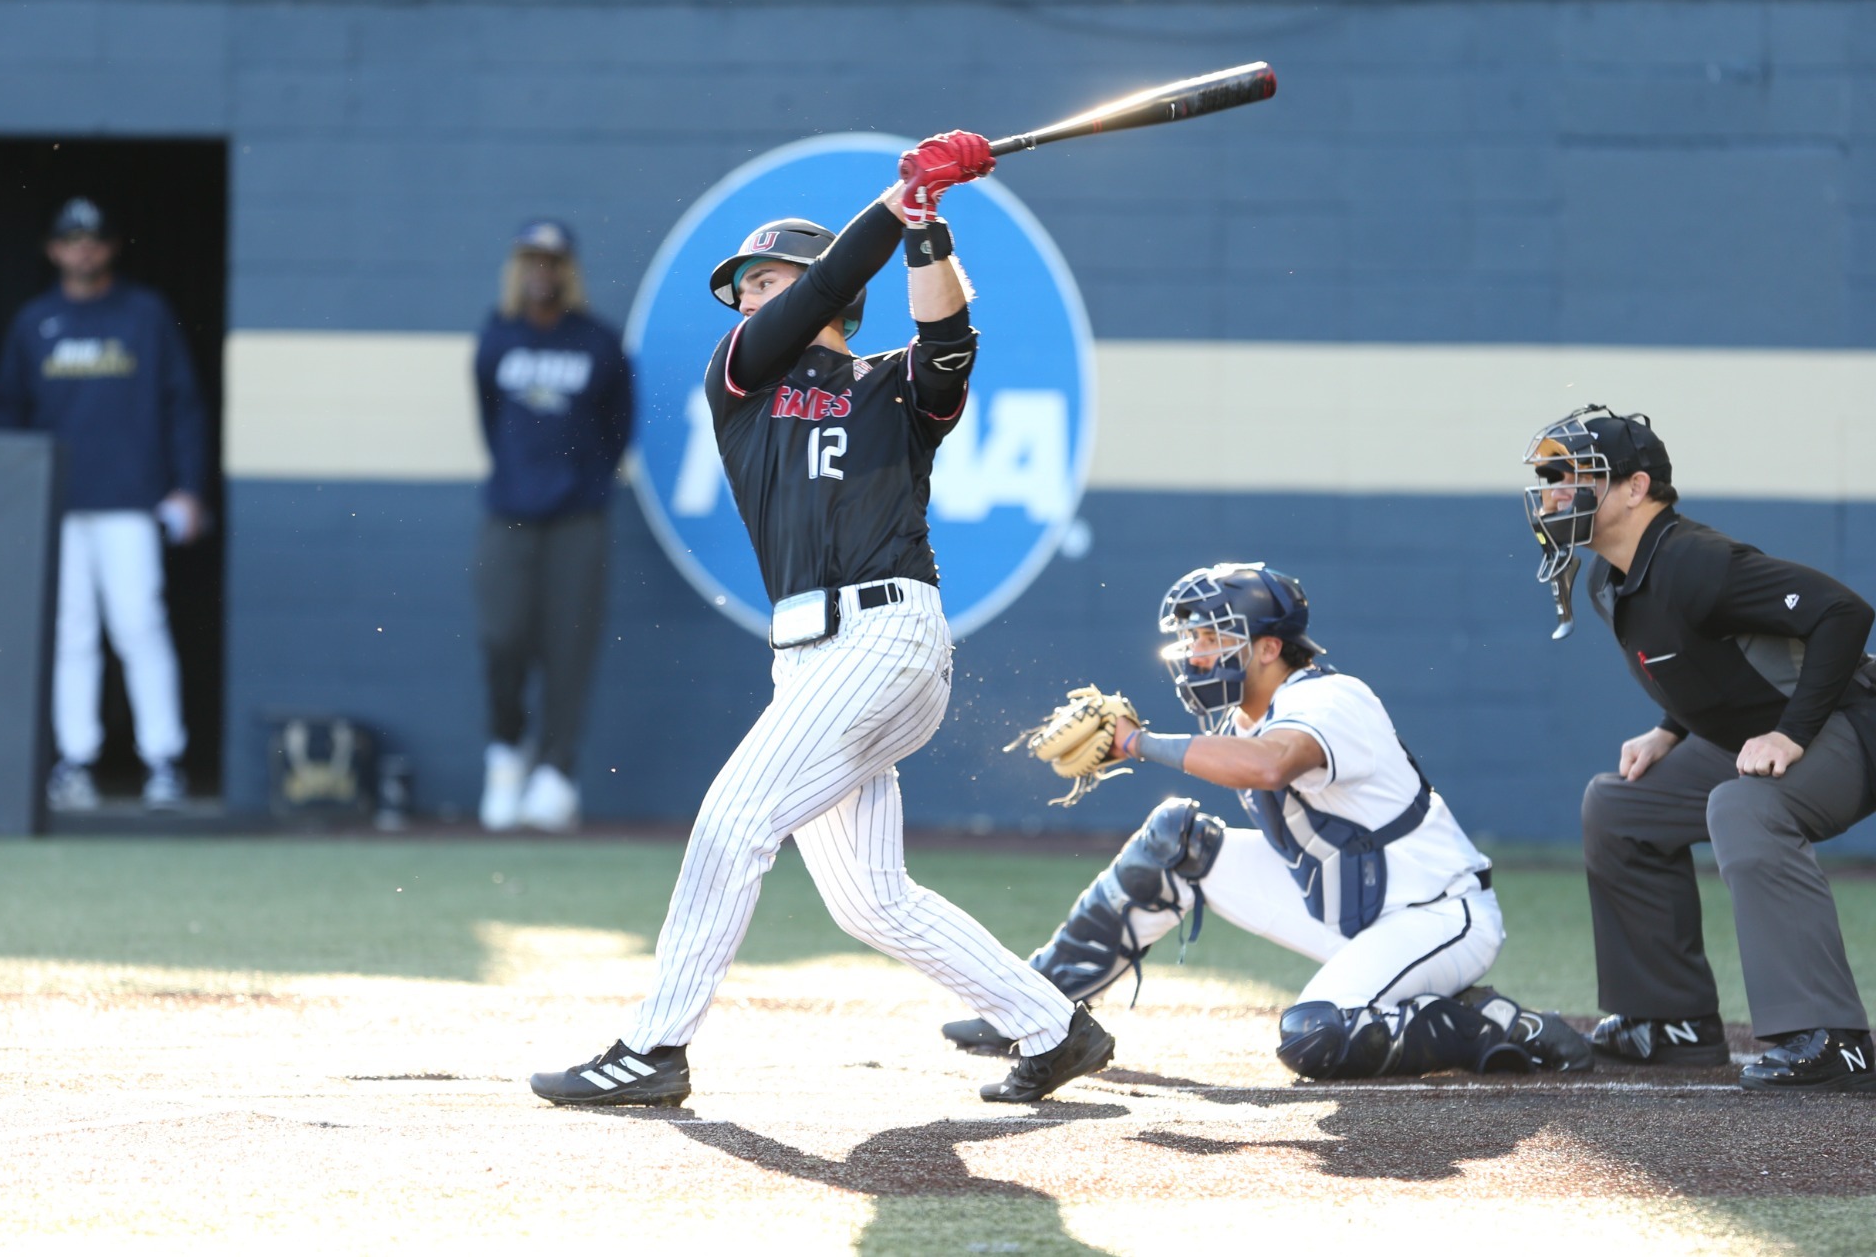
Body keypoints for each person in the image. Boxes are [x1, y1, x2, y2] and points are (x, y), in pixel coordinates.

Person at [530, 132, 1114, 1108]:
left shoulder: (892, 389)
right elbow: (821, 285)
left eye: (766, 280)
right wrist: (897, 205)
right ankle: (1053, 1026)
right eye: (746, 286)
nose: (750, 297)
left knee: (730, 820)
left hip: (884, 635)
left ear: (832, 292)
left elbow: (947, 345)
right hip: (807, 657)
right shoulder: (742, 378)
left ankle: (653, 1048)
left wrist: (921, 226)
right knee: (869, 898)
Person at [943, 563, 1592, 1082]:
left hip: (1439, 914)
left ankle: (1487, 1021)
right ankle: (1032, 1004)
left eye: (1213, 637)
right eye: (1191, 636)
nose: (1195, 652)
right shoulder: (1245, 713)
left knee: (1315, 1033)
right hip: (1352, 910)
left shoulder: (1330, 697)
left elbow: (1270, 766)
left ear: (1269, 646)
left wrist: (1137, 743)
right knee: (1176, 841)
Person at [1525, 405, 1876, 1092]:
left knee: (1744, 808)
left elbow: (1843, 612)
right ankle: (1671, 1020)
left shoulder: (1693, 559)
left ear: (1636, 486)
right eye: (1550, 479)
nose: (1554, 493)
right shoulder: (1610, 580)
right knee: (1620, 805)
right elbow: (1704, 664)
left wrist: (1791, 733)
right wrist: (1670, 728)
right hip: (1778, 730)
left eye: (1574, 477)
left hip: (1854, 720)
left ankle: (1833, 1039)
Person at [0, 198, 207, 813]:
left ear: (110, 247)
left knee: (139, 623)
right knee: (70, 633)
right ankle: (74, 760)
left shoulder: (144, 313)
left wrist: (188, 487)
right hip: (57, 501)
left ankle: (163, 759)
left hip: (131, 499)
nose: (82, 249)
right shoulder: (35, 321)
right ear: (53, 249)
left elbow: (182, 404)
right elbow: (8, 410)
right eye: (70, 240)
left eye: (93, 239)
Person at [472, 219, 633, 833]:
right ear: (518, 267)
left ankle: (558, 771)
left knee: (571, 650)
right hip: (508, 513)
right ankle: (506, 753)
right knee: (502, 636)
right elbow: (489, 417)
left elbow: (620, 425)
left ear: (569, 269)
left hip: (578, 519)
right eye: (531, 260)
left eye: (553, 260)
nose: (542, 271)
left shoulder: (597, 341)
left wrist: (587, 486)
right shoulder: (498, 336)